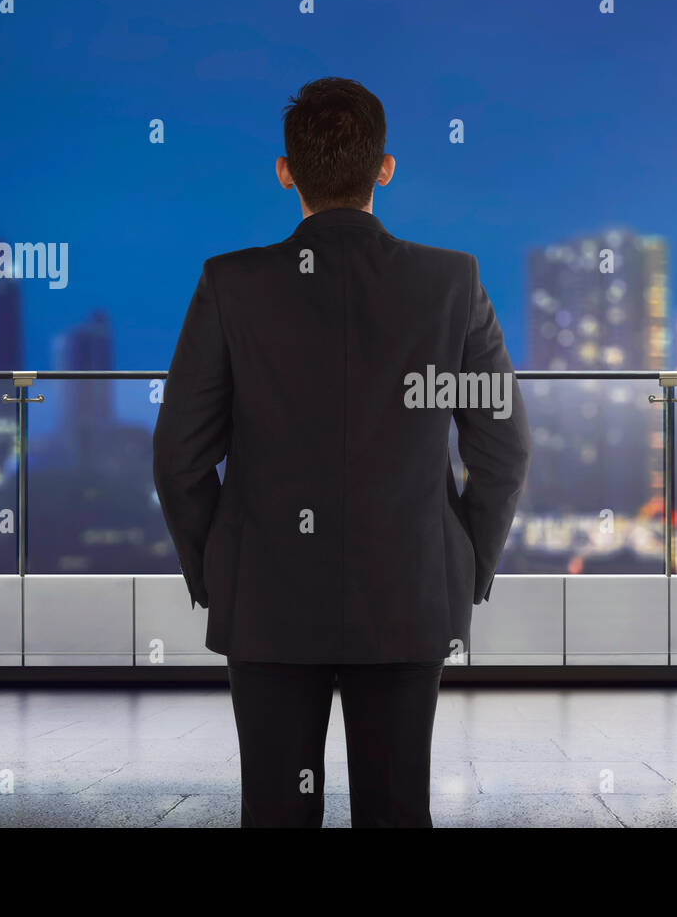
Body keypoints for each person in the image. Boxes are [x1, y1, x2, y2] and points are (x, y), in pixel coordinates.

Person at [152, 77, 531, 827]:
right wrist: (463, 560)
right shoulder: (451, 281)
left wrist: (217, 568)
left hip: (265, 596)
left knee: (275, 812)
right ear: (384, 168)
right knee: (396, 810)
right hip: (409, 590)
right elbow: (504, 447)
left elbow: (180, 459)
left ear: (286, 170)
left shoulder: (230, 284)